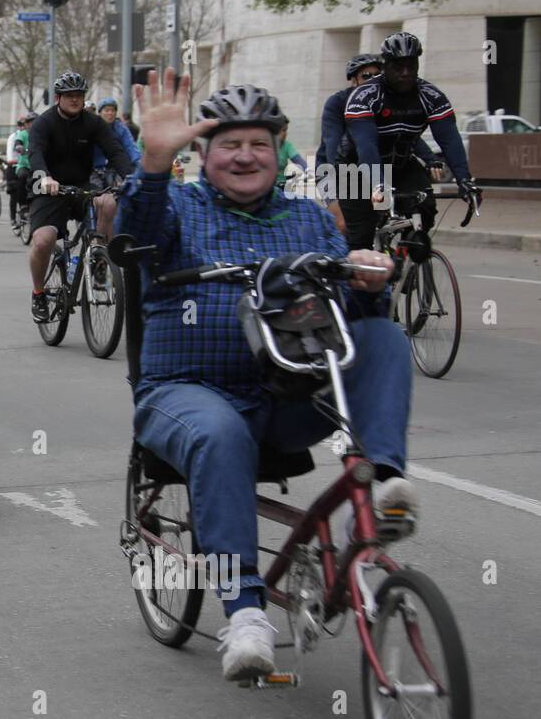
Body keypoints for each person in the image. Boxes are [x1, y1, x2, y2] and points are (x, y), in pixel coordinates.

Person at [115, 68, 417, 683]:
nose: (246, 155)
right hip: (188, 392)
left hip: (290, 397)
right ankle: (246, 613)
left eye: (259, 142)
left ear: (279, 150)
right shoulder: (175, 206)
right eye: (229, 143)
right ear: (203, 152)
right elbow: (133, 234)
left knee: (383, 337)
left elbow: (350, 318)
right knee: (220, 433)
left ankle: (384, 486)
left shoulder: (310, 220)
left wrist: (364, 282)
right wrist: (151, 164)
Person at [338, 30, 479, 250]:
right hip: (358, 167)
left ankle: (403, 256)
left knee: (425, 207)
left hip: (401, 164)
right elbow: (367, 145)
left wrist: (464, 180)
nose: (405, 73)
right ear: (386, 66)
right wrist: (378, 184)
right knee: (361, 240)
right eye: (398, 67)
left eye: (411, 66)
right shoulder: (365, 95)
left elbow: (449, 140)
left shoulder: (430, 96)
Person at [27, 70, 134, 322]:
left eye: (79, 95)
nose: (75, 100)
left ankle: (100, 262)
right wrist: (44, 176)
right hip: (49, 187)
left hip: (81, 187)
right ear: (58, 98)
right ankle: (39, 292)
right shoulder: (44, 123)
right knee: (43, 241)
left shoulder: (93, 123)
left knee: (107, 203)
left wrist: (130, 176)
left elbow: (115, 151)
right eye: (69, 96)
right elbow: (35, 152)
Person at [317, 52, 442, 229]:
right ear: (354, 81)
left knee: (409, 208)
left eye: (377, 75)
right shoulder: (337, 103)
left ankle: (403, 249)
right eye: (366, 76)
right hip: (334, 168)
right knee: (346, 223)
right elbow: (333, 144)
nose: (372, 80)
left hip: (374, 164)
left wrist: (431, 159)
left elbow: (406, 136)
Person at [274, 117, 309, 191]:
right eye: (283, 130)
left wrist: (309, 172)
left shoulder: (287, 146)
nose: (285, 133)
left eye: (286, 130)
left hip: (282, 185)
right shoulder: (265, 146)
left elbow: (299, 160)